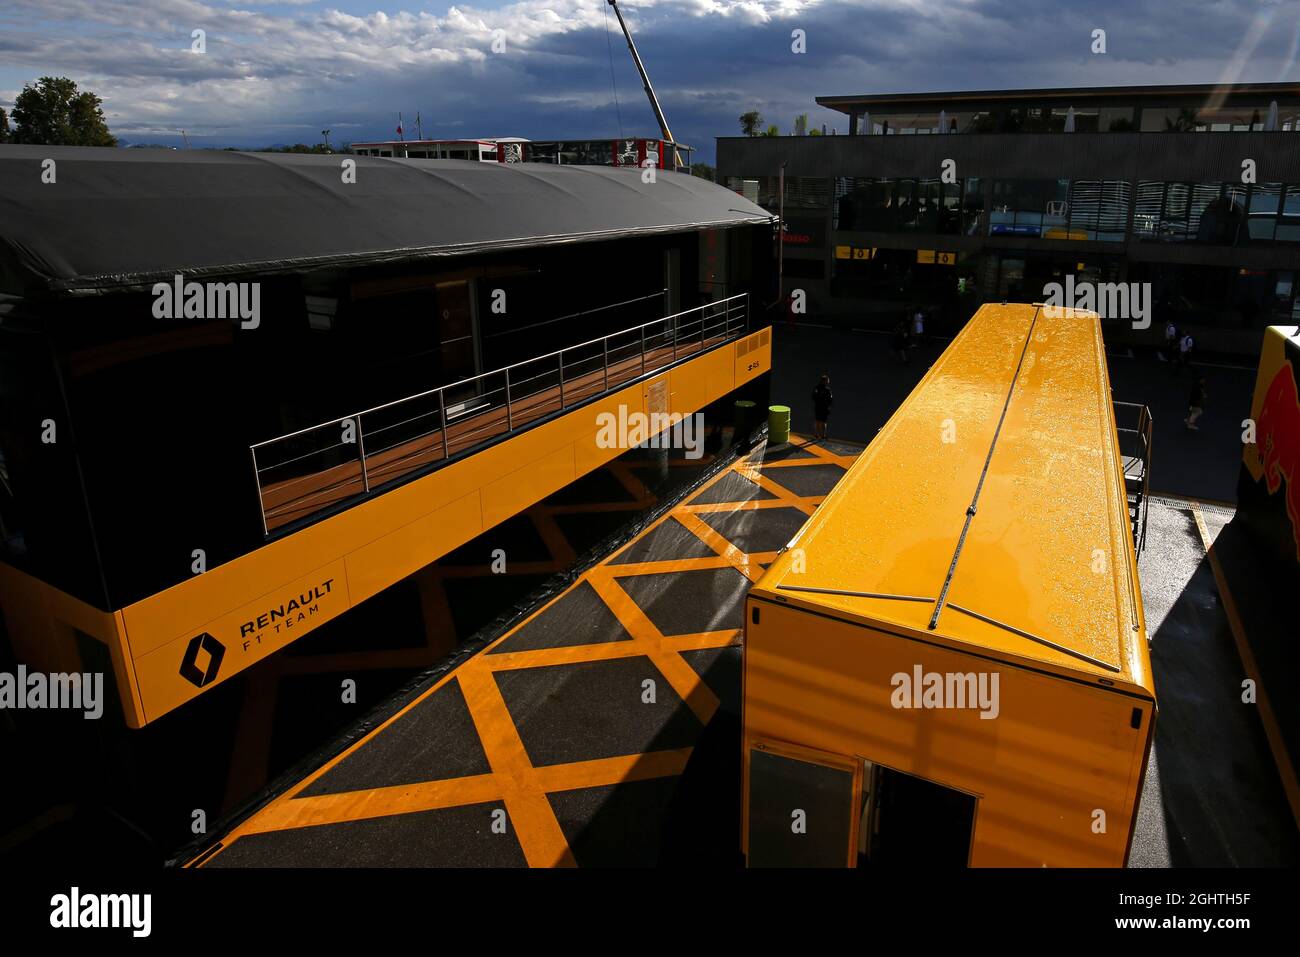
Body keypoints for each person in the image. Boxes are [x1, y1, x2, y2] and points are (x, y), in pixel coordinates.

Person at [812, 374, 833, 440]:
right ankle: (823, 435)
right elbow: (830, 399)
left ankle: (816, 434)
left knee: (817, 420)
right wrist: (828, 406)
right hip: (824, 407)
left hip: (818, 406)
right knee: (823, 421)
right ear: (825, 381)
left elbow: (813, 397)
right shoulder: (827, 390)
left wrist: (818, 402)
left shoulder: (816, 388)